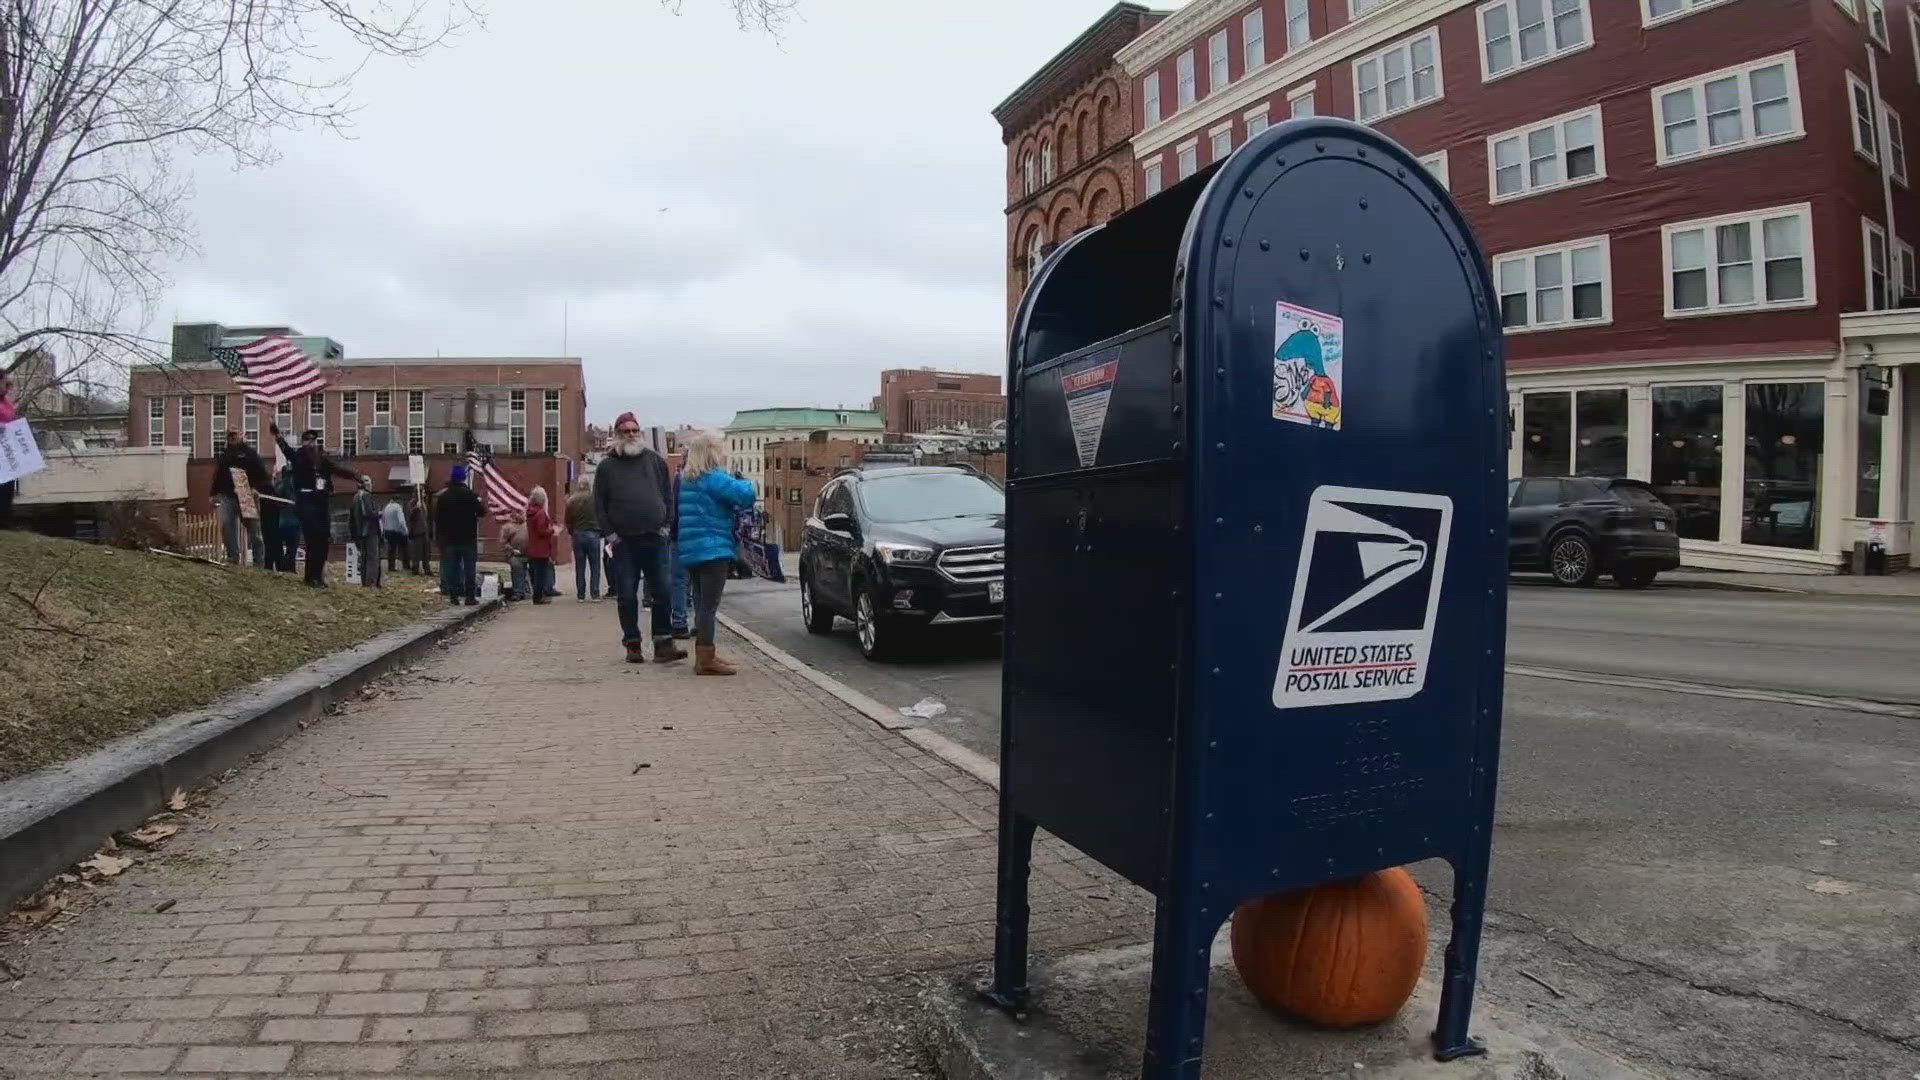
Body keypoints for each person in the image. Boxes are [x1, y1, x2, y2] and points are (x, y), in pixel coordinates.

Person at [594, 412, 685, 665]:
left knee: (663, 591)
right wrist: (611, 535)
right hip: (624, 542)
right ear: (617, 435)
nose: (631, 435)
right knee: (626, 594)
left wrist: (667, 525)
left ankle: (663, 642)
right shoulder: (606, 467)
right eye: (626, 431)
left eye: (635, 430)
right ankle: (632, 643)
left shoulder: (655, 461)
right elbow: (599, 505)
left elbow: (667, 496)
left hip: (655, 538)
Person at [675, 432, 757, 676]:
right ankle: (705, 658)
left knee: (701, 604)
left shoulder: (687, 480)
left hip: (692, 550)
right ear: (711, 453)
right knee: (709, 607)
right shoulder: (714, 478)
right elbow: (746, 495)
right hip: (714, 549)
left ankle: (705, 652)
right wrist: (746, 481)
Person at [271, 422, 356, 587]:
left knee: (323, 540)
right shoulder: (299, 458)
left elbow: (338, 469)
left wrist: (355, 475)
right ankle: (310, 576)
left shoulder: (321, 460)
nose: (312, 444)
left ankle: (318, 574)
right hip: (306, 502)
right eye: (308, 440)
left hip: (321, 502)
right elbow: (287, 451)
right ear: (303, 443)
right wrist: (278, 436)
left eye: (314, 440)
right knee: (313, 540)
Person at [211, 430, 271, 566]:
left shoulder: (250, 454)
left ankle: (259, 561)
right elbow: (218, 476)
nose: (232, 438)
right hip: (227, 495)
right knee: (227, 526)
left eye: (234, 435)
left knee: (254, 529)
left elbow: (262, 474)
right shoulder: (225, 455)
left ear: (241, 436)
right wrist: (213, 493)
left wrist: (255, 487)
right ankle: (233, 557)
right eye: (230, 436)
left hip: (245, 494)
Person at [435, 464, 486, 605]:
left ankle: (454, 596)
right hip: (468, 538)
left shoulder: (443, 497)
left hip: (450, 539)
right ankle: (470, 597)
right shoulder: (470, 496)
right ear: (463, 478)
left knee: (452, 568)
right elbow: (482, 512)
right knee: (469, 568)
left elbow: (438, 519)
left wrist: (440, 538)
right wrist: (479, 501)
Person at [566, 479, 602, 601]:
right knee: (595, 566)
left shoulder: (571, 500)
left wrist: (572, 532)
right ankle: (595, 593)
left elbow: (568, 520)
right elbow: (602, 515)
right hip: (593, 534)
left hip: (578, 534)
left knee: (580, 566)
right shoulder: (595, 499)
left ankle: (581, 594)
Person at [524, 487, 559, 605]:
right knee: (541, 574)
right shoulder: (541, 514)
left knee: (536, 572)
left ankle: (537, 595)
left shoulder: (530, 512)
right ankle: (538, 597)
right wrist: (552, 530)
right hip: (542, 547)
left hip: (533, 546)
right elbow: (541, 530)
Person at [348, 475, 383, 588]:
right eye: (368, 481)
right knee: (372, 558)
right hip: (370, 530)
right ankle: (371, 582)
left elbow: (351, 519)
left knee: (363, 558)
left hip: (359, 532)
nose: (371, 484)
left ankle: (365, 582)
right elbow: (368, 513)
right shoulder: (366, 496)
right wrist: (379, 514)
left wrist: (354, 534)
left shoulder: (355, 497)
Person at [269, 466, 301, 572]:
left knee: (280, 547)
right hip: (294, 521)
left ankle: (281, 566)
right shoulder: (296, 485)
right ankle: (290, 567)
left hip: (281, 521)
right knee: (292, 548)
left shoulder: (279, 485)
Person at [501, 509, 530, 602]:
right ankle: (518, 592)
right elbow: (503, 543)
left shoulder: (529, 525)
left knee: (546, 563)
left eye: (522, 512)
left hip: (531, 553)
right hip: (516, 554)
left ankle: (544, 590)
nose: (520, 515)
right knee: (516, 565)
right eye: (518, 512)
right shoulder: (508, 527)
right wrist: (512, 550)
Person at [382, 495, 410, 572]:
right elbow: (401, 521)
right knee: (404, 549)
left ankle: (391, 566)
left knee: (391, 550)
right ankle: (406, 565)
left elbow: (383, 519)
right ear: (398, 500)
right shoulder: (398, 507)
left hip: (388, 531)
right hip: (397, 531)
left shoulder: (386, 507)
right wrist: (405, 530)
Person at [408, 490, 432, 575]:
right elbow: (410, 516)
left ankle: (427, 568)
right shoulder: (413, 503)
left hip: (424, 530)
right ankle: (415, 568)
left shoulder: (423, 503)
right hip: (417, 530)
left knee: (426, 551)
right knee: (417, 551)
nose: (424, 494)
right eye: (423, 492)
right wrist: (416, 509)